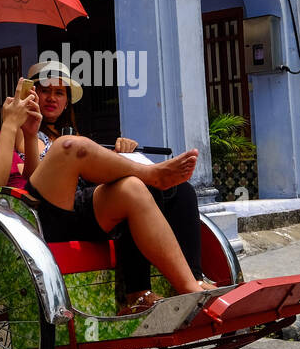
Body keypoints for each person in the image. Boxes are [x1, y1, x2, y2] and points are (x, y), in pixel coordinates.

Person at [0, 47, 214, 307]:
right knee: (70, 147)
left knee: (132, 189)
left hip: (47, 208)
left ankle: (190, 288)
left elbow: (29, 176)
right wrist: (11, 126)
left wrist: (28, 135)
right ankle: (153, 173)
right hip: (19, 220)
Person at [27, 60, 205, 314]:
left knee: (179, 191)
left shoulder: (74, 135)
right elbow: (29, 183)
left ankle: (192, 282)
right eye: (45, 90)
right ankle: (152, 174)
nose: (51, 98)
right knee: (73, 148)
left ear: (67, 100)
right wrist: (27, 132)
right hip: (45, 211)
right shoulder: (22, 129)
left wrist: (121, 154)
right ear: (30, 92)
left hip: (83, 207)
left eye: (59, 92)